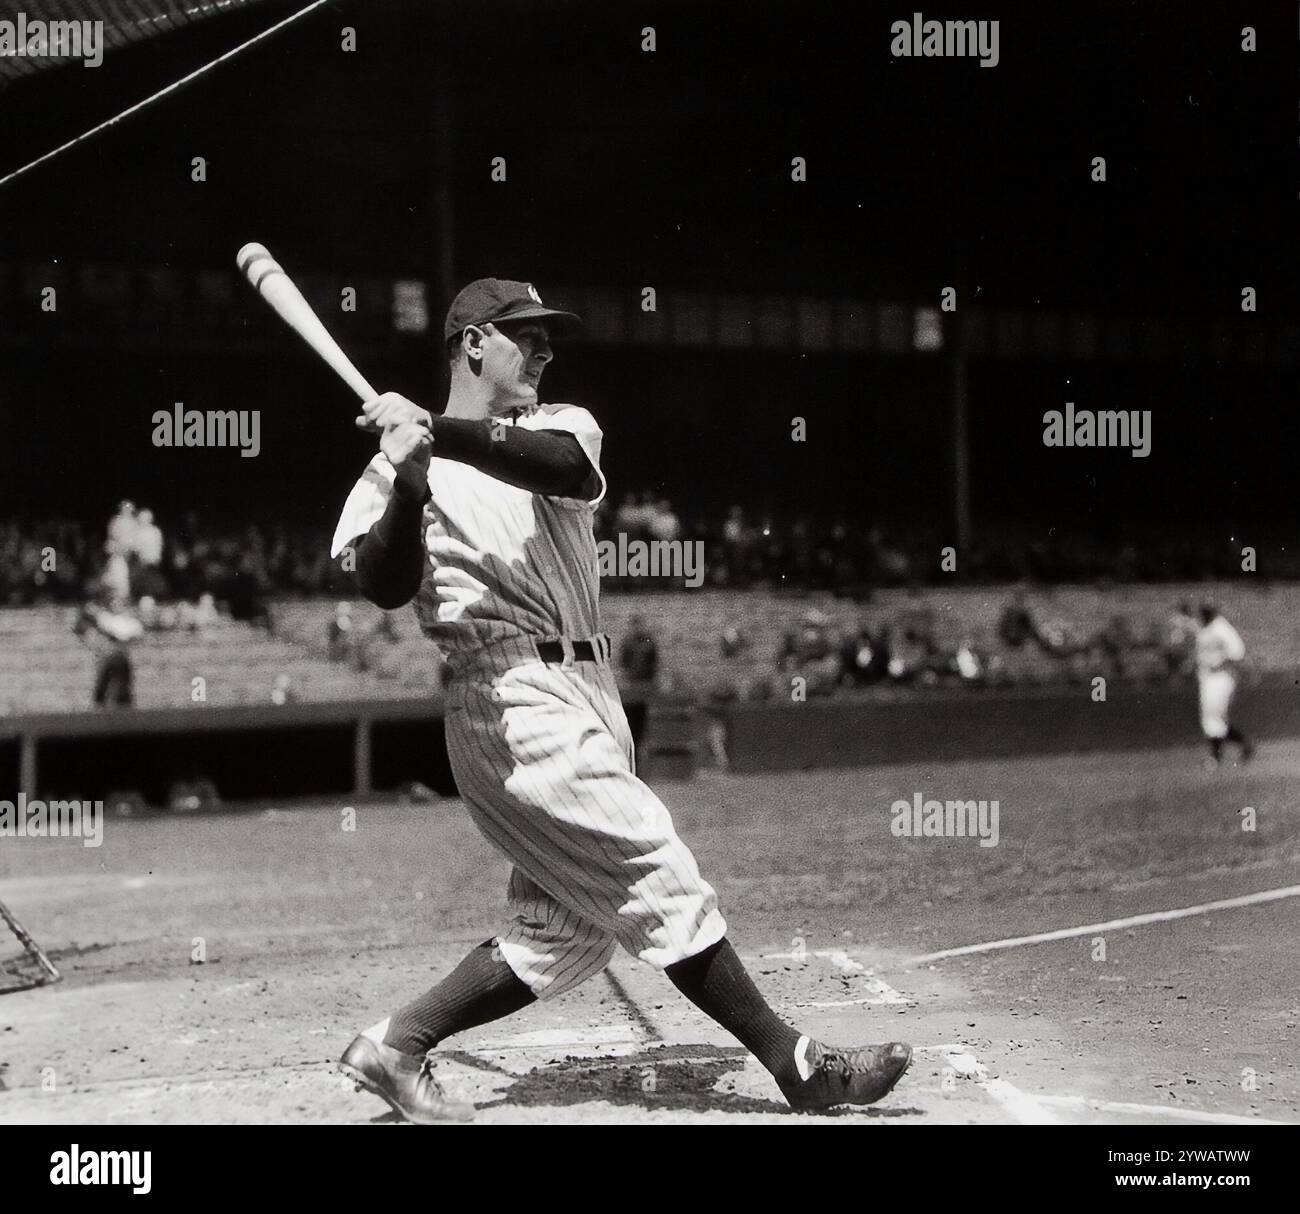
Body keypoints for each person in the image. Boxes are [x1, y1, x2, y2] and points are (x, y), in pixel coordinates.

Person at [329, 278, 911, 1122]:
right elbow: (379, 585)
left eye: (547, 339)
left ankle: (395, 1043)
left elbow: (562, 469)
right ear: (473, 344)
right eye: (525, 336)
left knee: (566, 932)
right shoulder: (391, 469)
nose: (545, 351)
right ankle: (800, 1066)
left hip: (588, 688)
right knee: (656, 867)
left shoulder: (561, 428)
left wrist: (437, 434)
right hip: (507, 701)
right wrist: (412, 480)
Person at [1195, 603, 1253, 767]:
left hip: (1221, 677)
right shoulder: (1205, 628)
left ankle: (1215, 757)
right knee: (1211, 718)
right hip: (1207, 677)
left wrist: (1220, 663)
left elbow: (1237, 651)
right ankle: (1244, 745)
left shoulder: (1221, 628)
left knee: (1214, 718)